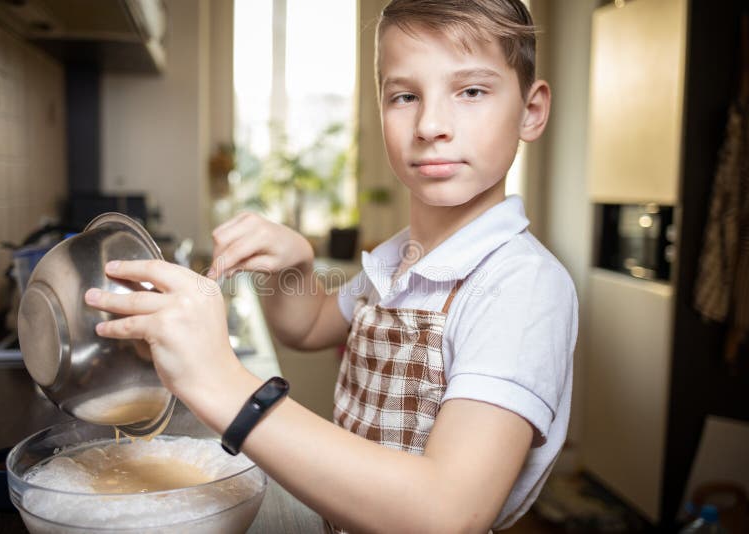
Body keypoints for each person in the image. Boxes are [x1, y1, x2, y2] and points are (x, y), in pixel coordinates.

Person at [84, 0, 578, 531]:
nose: (431, 124)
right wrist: (293, 265)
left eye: (472, 91)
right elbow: (311, 325)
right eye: (405, 95)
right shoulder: (402, 254)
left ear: (531, 111)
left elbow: (445, 511)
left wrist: (223, 383)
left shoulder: (521, 287)